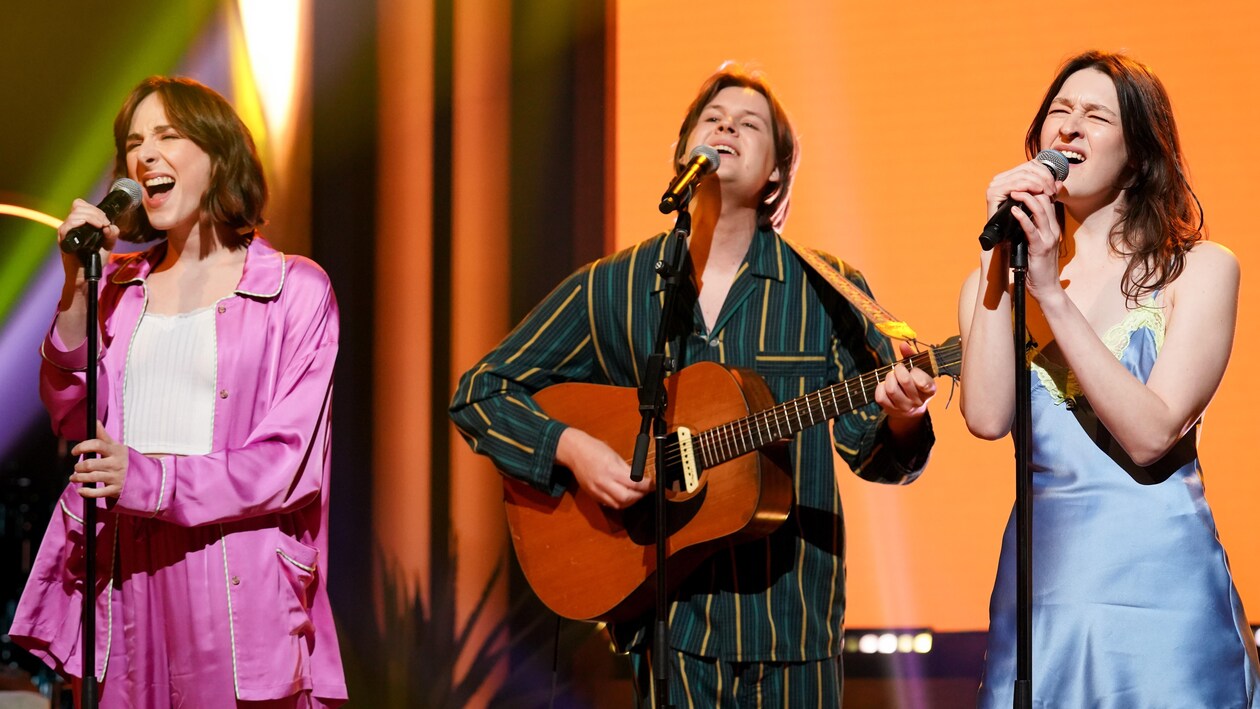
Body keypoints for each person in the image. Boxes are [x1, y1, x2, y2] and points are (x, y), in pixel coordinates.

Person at [450, 64, 937, 706]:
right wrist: (575, 450)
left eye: (749, 124)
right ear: (685, 154)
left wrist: (904, 416)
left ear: (775, 174)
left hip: (791, 628)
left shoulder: (824, 287)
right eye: (713, 119)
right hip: (666, 627)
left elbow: (875, 452)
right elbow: (481, 392)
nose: (727, 127)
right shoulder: (616, 285)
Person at [9, 76, 347, 708]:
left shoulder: (293, 290)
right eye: (134, 143)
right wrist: (77, 287)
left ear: (219, 155)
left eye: (167, 136)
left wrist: (148, 478)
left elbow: (286, 463)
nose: (145, 156)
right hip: (122, 566)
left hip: (231, 571)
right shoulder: (116, 286)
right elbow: (73, 417)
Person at [958, 50, 1260, 707]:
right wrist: (999, 264)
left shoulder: (1200, 270)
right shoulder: (1001, 279)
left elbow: (1151, 434)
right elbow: (985, 416)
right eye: (1059, 112)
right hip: (1045, 591)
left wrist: (1052, 295)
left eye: (1096, 116)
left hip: (1163, 593)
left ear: (1140, 155)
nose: (1069, 126)